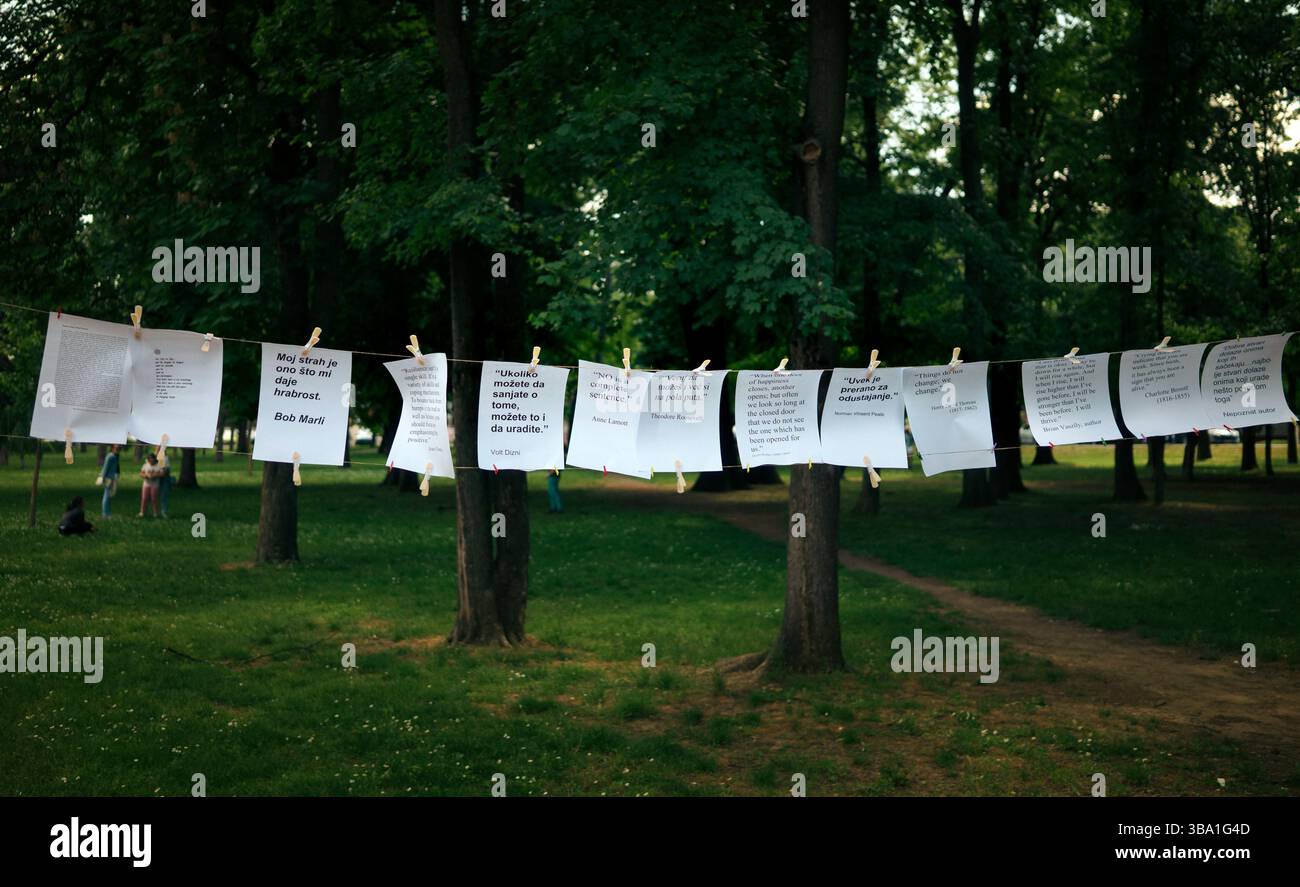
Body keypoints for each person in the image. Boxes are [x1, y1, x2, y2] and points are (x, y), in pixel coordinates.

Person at [97, 444, 121, 517]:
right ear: (112, 448)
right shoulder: (110, 456)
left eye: (119, 448)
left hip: (112, 477)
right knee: (106, 495)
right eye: (116, 448)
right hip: (108, 478)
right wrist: (102, 477)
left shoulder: (115, 456)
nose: (118, 449)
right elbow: (105, 467)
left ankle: (108, 512)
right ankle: (105, 513)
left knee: (109, 495)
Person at [139, 453, 163, 517]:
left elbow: (162, 473)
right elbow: (141, 473)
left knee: (154, 499)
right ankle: (142, 512)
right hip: (146, 484)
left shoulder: (158, 466)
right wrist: (146, 475)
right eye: (150, 460)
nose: (151, 462)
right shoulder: (145, 465)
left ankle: (155, 512)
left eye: (152, 460)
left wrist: (154, 475)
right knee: (144, 498)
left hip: (155, 484)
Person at [157, 449, 172, 518]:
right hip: (154, 480)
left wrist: (161, 472)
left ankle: (164, 511)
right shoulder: (153, 457)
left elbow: (166, 470)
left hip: (164, 479)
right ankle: (155, 512)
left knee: (164, 495)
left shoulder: (165, 458)